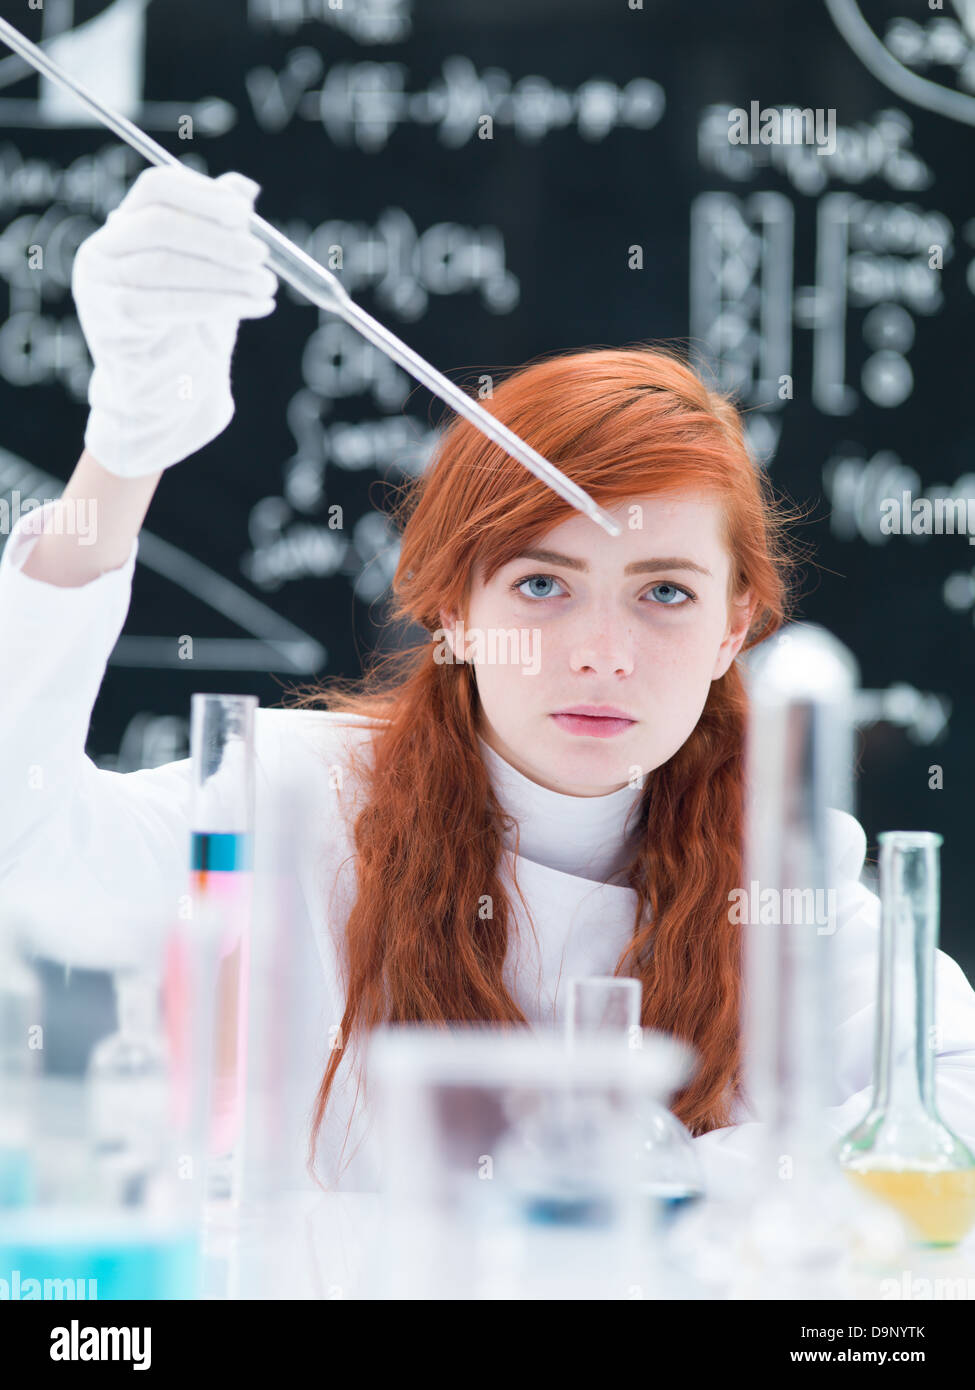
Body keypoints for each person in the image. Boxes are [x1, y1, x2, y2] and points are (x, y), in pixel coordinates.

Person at [2, 165, 975, 1199]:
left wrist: (657, 1187)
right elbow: (25, 851)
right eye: (544, 583)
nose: (602, 651)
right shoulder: (281, 802)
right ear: (454, 610)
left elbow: (949, 1097)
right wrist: (119, 459)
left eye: (666, 594)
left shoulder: (784, 881)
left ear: (737, 627)